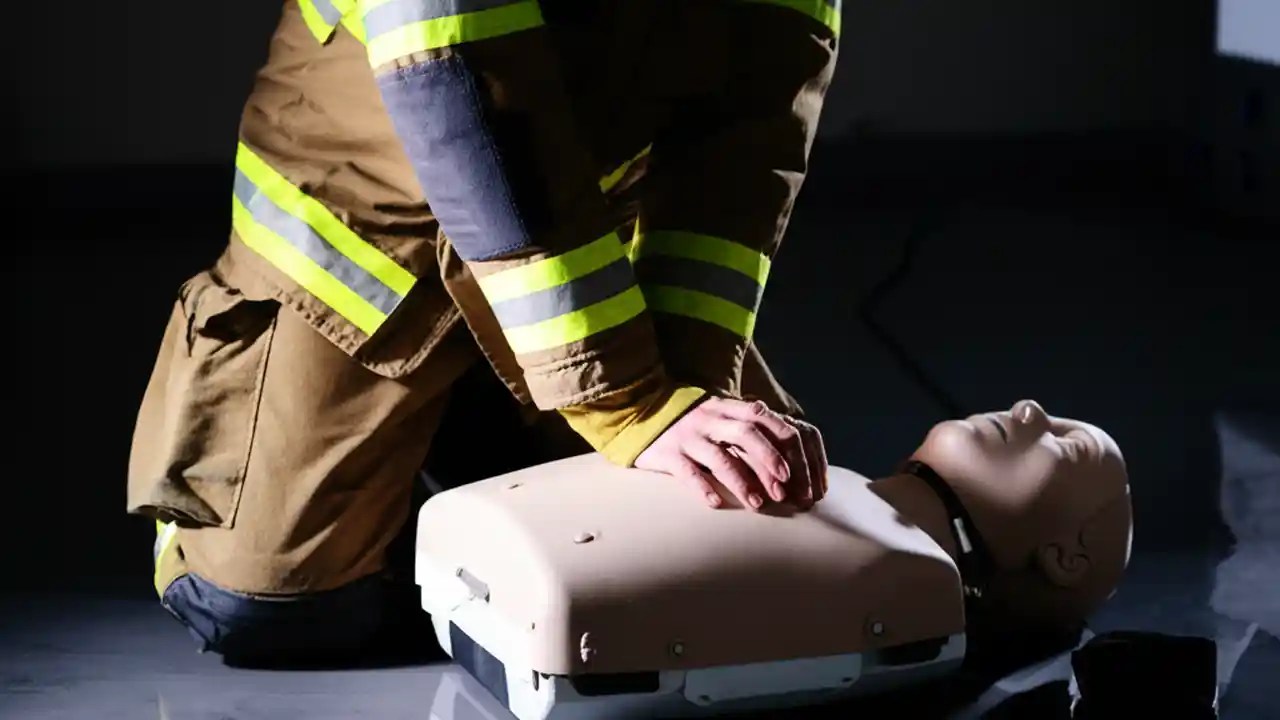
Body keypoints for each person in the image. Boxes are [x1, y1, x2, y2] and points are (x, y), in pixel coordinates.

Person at [127, 0, 840, 663]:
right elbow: (468, 104)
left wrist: (690, 383)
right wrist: (631, 402)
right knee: (264, 607)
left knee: (737, 536)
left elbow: (747, 142)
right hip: (362, 231)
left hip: (574, 233)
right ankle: (265, 484)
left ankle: (461, 426)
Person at [410, 400, 1134, 718]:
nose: (1030, 409)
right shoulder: (835, 484)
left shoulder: (905, 578)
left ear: (1066, 559)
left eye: (1066, 445)